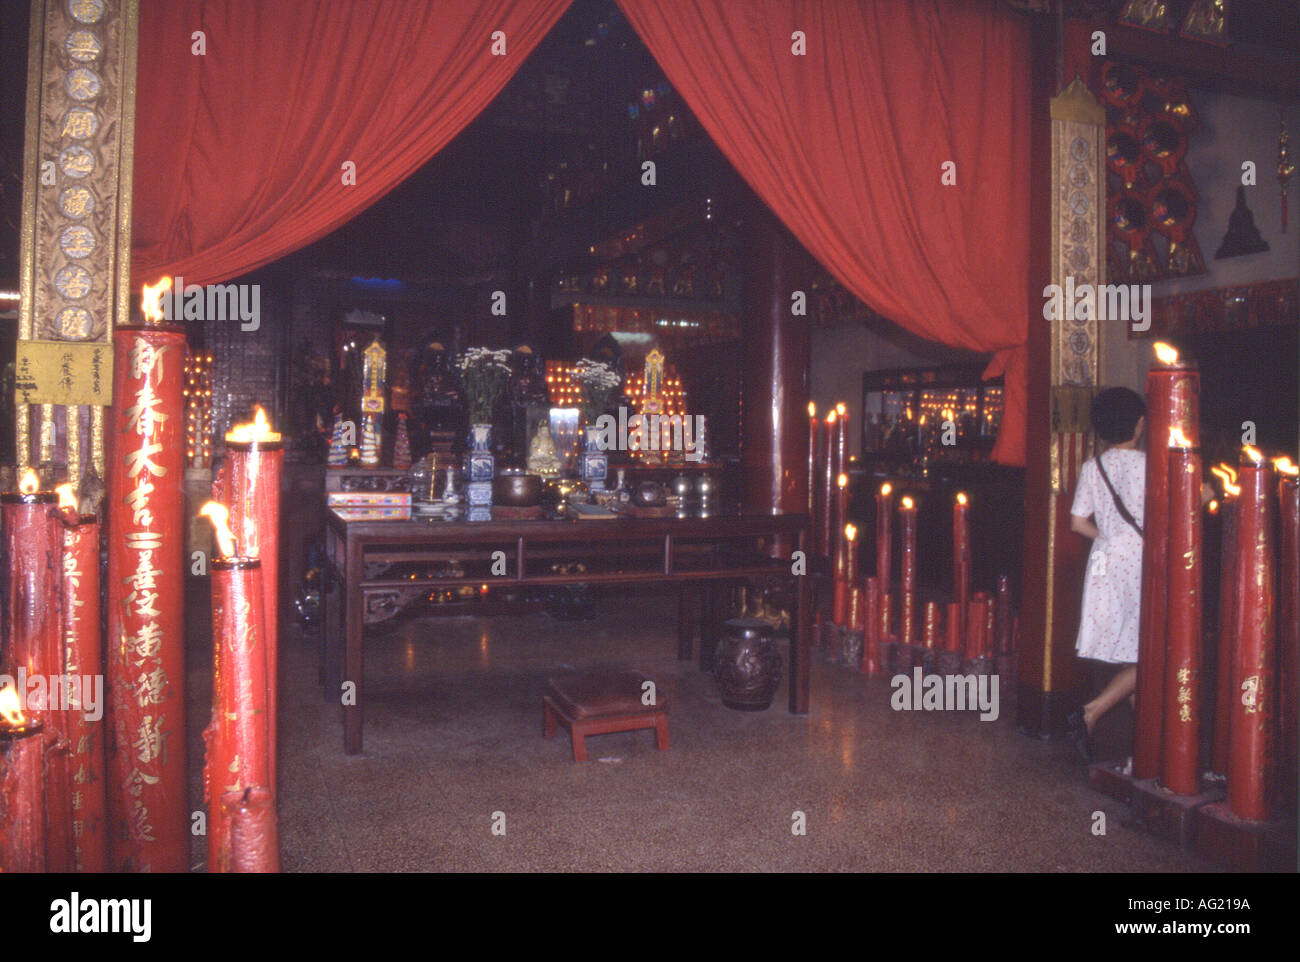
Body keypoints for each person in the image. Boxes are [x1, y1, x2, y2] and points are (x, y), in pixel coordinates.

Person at [1067, 387, 1147, 762]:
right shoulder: (1152, 465)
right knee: (1150, 650)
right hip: (1141, 563)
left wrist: (1110, 538)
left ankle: (1144, 754)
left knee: (1130, 651)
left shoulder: (1092, 467)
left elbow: (1078, 522)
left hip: (1104, 563)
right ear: (1140, 425)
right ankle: (1092, 711)